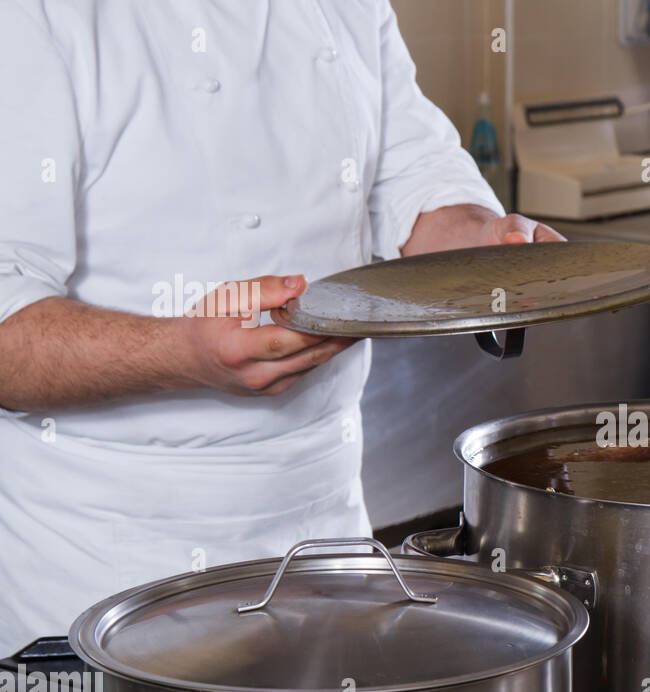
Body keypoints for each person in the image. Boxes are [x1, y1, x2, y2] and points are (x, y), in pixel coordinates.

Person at [0, 1, 562, 653]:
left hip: (324, 535)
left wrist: (484, 242)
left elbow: (414, 176)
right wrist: (183, 353)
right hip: (106, 569)